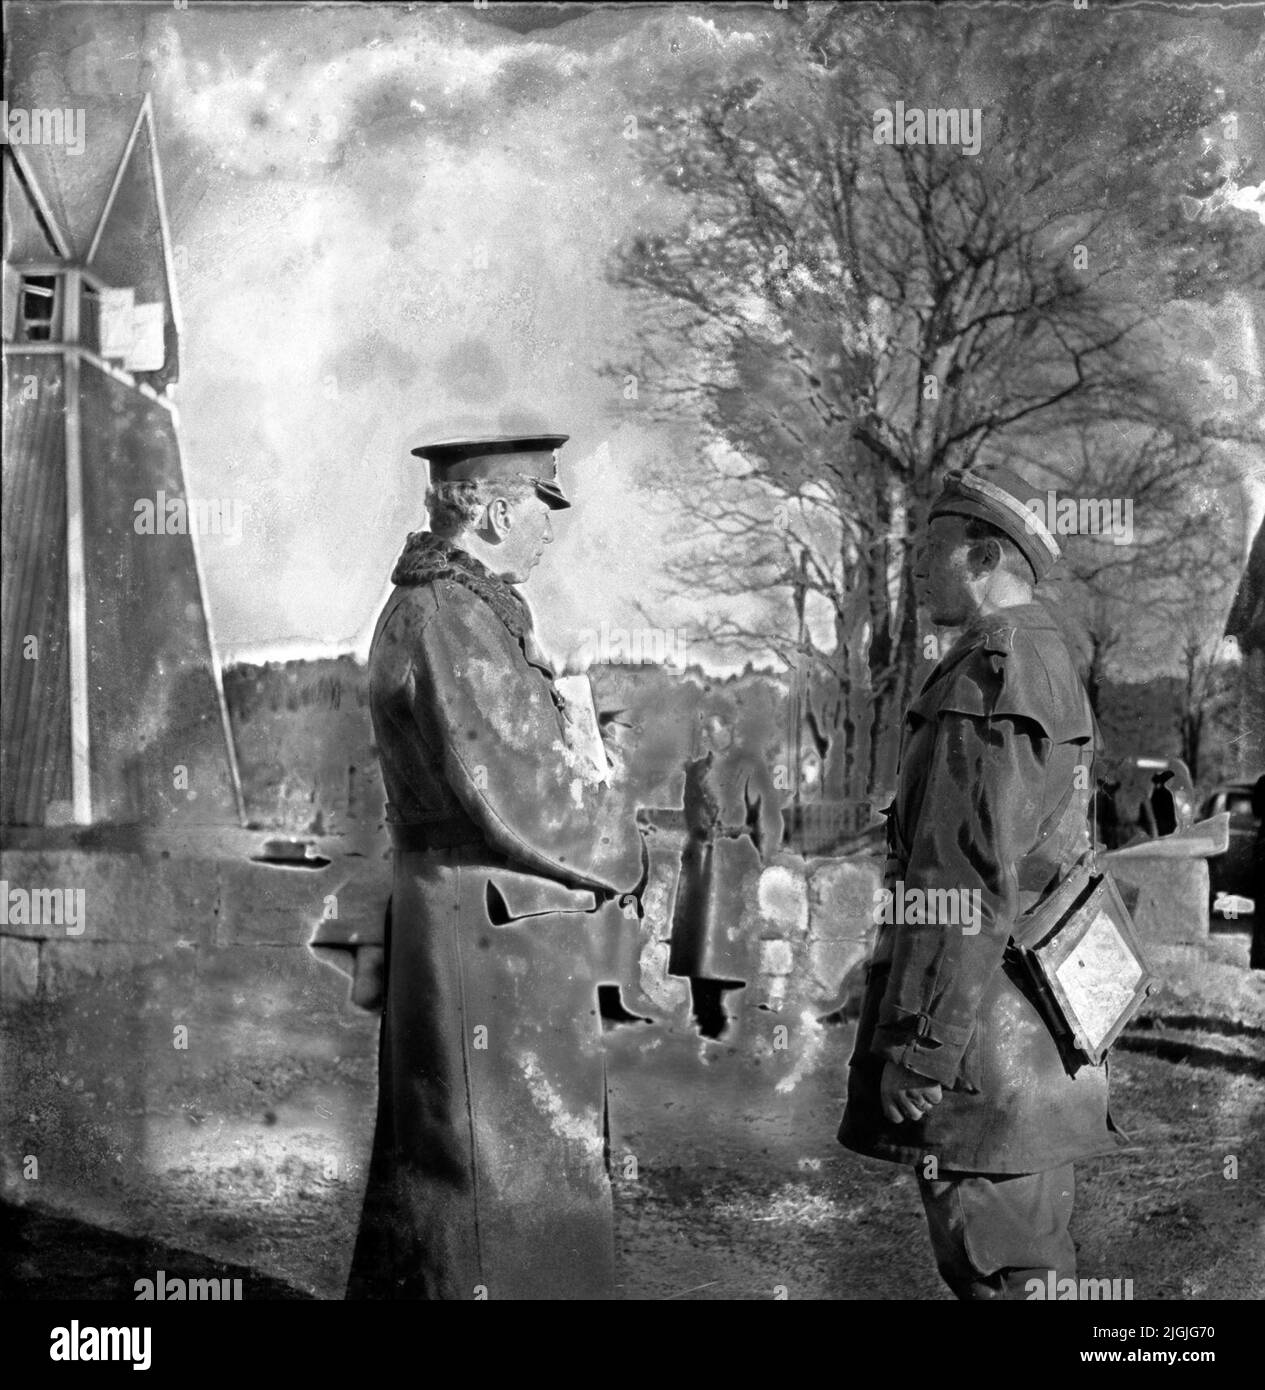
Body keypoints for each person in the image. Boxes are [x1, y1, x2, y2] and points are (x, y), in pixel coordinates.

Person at [346, 434, 646, 1301]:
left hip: (467, 917)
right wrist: (625, 849)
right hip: (487, 931)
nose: (552, 529)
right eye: (543, 508)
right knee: (496, 1166)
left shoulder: (450, 608)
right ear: (497, 510)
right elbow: (516, 788)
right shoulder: (452, 615)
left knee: (464, 1154)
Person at [838, 465, 1121, 1300]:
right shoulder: (1034, 651)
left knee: (1004, 1269)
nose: (917, 567)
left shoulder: (989, 669)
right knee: (1031, 1260)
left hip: (982, 1047)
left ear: (983, 554)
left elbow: (963, 878)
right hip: (1023, 1037)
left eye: (931, 549)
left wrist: (921, 1048)